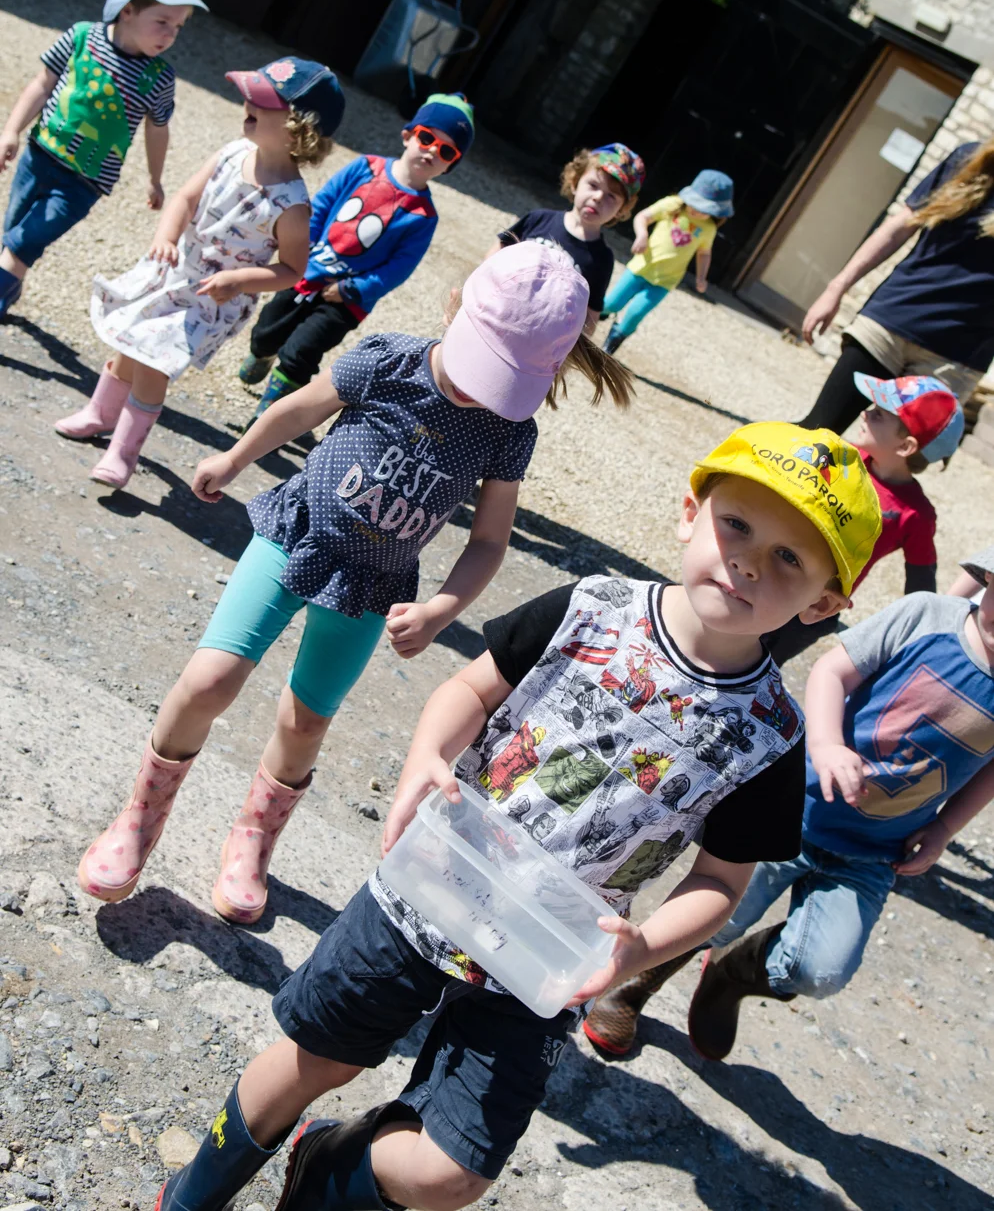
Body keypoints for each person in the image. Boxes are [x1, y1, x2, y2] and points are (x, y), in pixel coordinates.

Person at [151, 420, 879, 1211]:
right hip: (427, 890)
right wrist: (426, 760)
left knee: (450, 1174)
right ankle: (191, 1198)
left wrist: (635, 952)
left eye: (788, 560)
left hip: (543, 960)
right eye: (736, 524)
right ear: (689, 511)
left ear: (827, 602)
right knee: (313, 1058)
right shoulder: (593, 606)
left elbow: (719, 879)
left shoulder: (771, 735)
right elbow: (468, 690)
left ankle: (326, 1167)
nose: (746, 561)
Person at [77, 242, 633, 927]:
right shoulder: (388, 361)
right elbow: (301, 409)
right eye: (479, 361)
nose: (476, 388)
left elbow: (488, 541)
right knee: (210, 680)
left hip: (377, 581)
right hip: (298, 534)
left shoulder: (509, 432)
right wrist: (235, 455)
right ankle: (138, 821)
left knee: (305, 718)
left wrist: (439, 609)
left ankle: (252, 844)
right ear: (456, 304)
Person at [585, 545, 994, 1062]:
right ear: (986, 579)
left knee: (821, 971)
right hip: (796, 814)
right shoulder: (927, 617)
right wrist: (825, 745)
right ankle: (635, 987)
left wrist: (945, 829)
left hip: (875, 851)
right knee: (720, 914)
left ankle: (732, 972)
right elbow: (831, 670)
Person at [52, 58, 343, 490]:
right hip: (172, 272)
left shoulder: (292, 204)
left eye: (262, 102)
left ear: (298, 129)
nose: (248, 104)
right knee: (129, 343)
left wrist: (241, 281)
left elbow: (292, 269)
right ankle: (99, 414)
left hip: (210, 298)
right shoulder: (232, 152)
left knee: (153, 362)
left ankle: (123, 452)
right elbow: (186, 197)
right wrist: (166, 237)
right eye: (251, 96)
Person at [238, 91, 475, 422]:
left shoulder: (423, 216)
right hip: (308, 270)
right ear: (408, 135)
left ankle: (271, 415)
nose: (432, 150)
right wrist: (301, 251)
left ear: (450, 164)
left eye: (446, 150)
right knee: (268, 328)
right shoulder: (364, 168)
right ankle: (261, 353)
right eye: (427, 138)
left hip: (347, 301)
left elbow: (397, 268)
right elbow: (320, 207)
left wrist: (353, 290)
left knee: (303, 350)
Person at [0, 0, 206, 319]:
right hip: (39, 154)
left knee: (23, 242)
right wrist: (11, 130)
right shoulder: (81, 37)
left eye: (178, 27)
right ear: (127, 10)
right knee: (14, 234)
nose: (170, 34)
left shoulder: (159, 78)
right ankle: (10, 285)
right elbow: (42, 84)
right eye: (161, 22)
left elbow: (157, 128)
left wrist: (155, 179)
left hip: (84, 182)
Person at [764, 372, 963, 665]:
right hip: (771, 575)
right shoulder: (839, 457)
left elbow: (920, 587)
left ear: (906, 447)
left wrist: (918, 640)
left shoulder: (915, 514)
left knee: (759, 668)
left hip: (815, 610)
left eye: (879, 414)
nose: (864, 413)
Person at [799, 139, 994, 433]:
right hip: (891, 321)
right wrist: (836, 288)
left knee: (892, 463)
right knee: (818, 432)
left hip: (956, 356)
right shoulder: (970, 159)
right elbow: (900, 225)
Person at [487, 142, 645, 331]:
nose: (598, 197)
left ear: (622, 209)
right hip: (495, 311)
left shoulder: (602, 259)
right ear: (575, 182)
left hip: (537, 339)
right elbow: (497, 252)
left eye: (611, 196)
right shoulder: (539, 219)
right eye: (593, 185)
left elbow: (590, 318)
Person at [600, 168, 734, 355]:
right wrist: (642, 235)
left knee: (635, 314)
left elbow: (704, 253)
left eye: (705, 209)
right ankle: (596, 316)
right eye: (695, 204)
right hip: (641, 268)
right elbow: (643, 217)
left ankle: (614, 340)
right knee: (611, 303)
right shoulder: (673, 205)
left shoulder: (708, 229)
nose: (697, 211)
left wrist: (701, 277)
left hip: (665, 281)